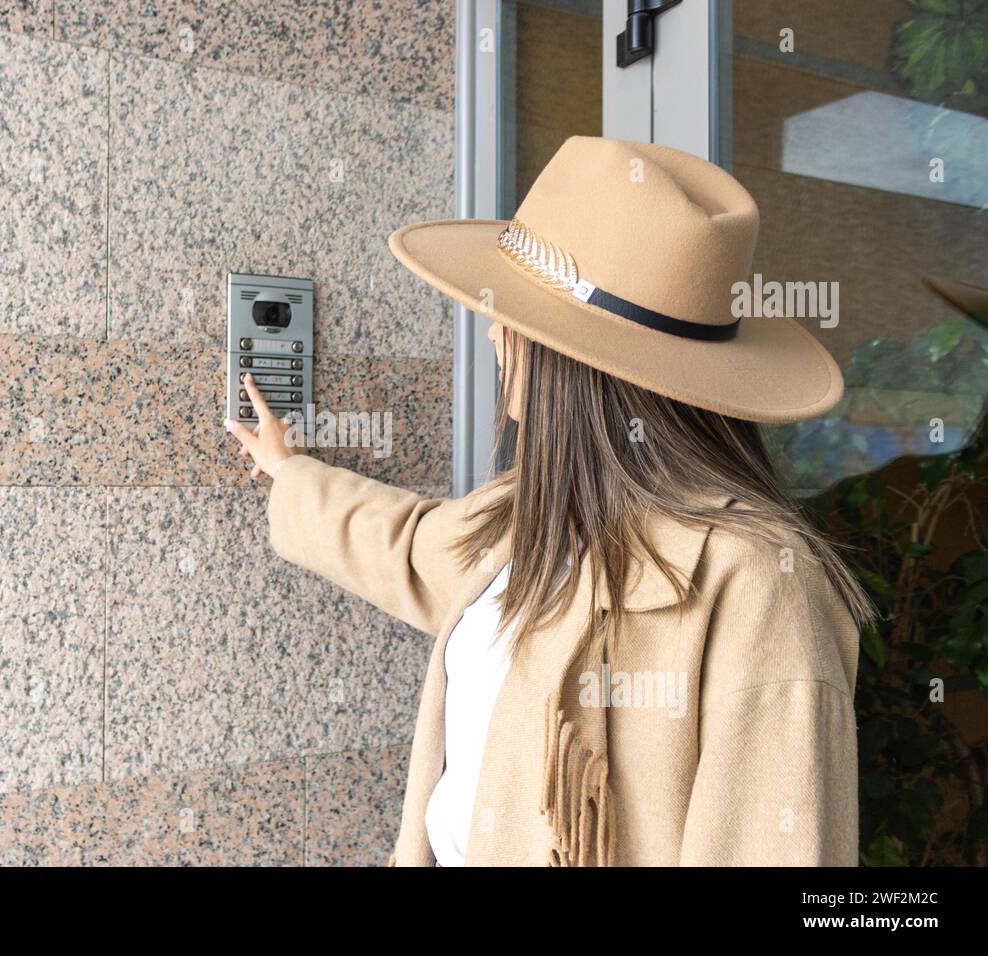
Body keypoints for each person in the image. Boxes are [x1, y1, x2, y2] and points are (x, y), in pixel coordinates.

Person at [225, 136, 873, 866]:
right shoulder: (527, 515)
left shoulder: (758, 584)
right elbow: (408, 545)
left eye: (518, 318)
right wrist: (288, 468)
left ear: (579, 365)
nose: (496, 330)